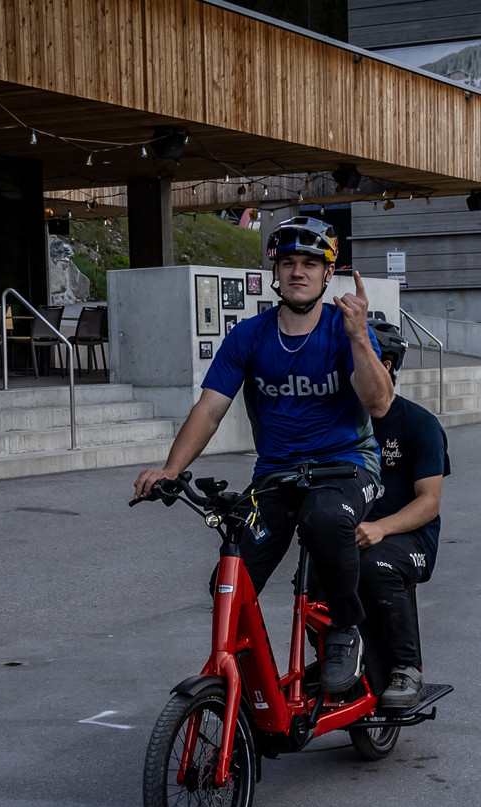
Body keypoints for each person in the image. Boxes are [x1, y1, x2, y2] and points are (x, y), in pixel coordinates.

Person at [133, 216, 394, 693]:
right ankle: (250, 685)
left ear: (326, 273)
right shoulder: (249, 336)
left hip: (349, 467)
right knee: (230, 578)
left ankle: (344, 629)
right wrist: (172, 469)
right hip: (276, 474)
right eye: (288, 262)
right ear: (275, 272)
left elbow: (378, 402)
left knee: (323, 519)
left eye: (311, 263)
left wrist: (359, 336)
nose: (298, 272)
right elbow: (210, 409)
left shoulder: (344, 329)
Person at [354, 334, 450, 710]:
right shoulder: (344, 423)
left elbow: (430, 503)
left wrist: (381, 527)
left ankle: (407, 669)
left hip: (411, 539)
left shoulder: (419, 424)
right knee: (313, 575)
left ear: (385, 365)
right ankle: (344, 659)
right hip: (354, 534)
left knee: (375, 565)